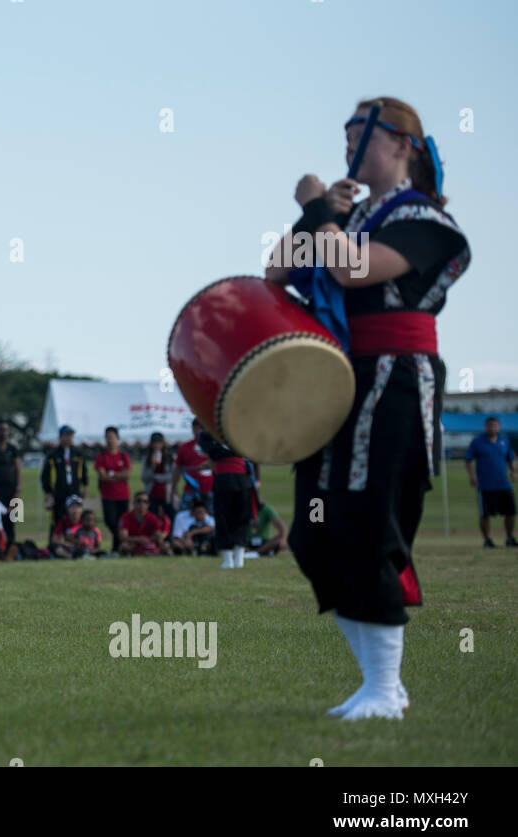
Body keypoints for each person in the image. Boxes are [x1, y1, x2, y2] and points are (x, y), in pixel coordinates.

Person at [267, 96, 470, 721]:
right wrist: (318, 215)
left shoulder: (424, 219)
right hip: (336, 379)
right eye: (346, 136)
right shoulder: (346, 220)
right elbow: (276, 272)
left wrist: (316, 212)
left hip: (396, 380)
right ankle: (377, 686)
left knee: (367, 522)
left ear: (402, 144)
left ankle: (386, 690)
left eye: (361, 135)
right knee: (316, 532)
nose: (349, 147)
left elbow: (354, 271)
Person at [197, 431, 255, 569]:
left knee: (226, 517)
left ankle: (232, 558)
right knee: (236, 516)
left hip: (227, 479)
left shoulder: (212, 434)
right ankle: (236, 558)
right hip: (240, 479)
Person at [463, 416, 516, 548]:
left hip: (503, 483)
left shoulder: (504, 441)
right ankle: (487, 540)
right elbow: (467, 460)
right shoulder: (477, 442)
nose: (493, 428)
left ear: (499, 427)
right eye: (490, 425)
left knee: (511, 512)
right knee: (484, 514)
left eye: (495, 425)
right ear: (485, 427)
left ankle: (510, 538)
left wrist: (513, 471)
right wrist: (472, 476)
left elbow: (510, 459)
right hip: (485, 485)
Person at [41, 425, 86, 537]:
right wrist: (48, 493)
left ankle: (76, 541)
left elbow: (84, 472)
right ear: (61, 437)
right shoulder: (53, 454)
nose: (69, 438)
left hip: (74, 491)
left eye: (71, 435)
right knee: (57, 519)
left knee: (75, 518)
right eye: (67, 435)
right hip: (58, 493)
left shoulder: (77, 453)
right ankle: (54, 542)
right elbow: (45, 476)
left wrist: (85, 487)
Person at [94, 426, 131, 554]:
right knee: (110, 521)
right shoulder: (101, 456)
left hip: (123, 495)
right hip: (108, 495)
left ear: (117, 438)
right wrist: (117, 475)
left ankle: (117, 548)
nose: (110, 440)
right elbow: (103, 476)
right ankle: (119, 545)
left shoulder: (123, 455)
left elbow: (127, 474)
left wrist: (111, 474)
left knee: (122, 522)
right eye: (108, 437)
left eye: (112, 437)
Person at [172, 419, 215, 511]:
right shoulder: (185, 447)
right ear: (192, 428)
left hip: (211, 489)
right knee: (185, 514)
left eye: (201, 428)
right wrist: (174, 489)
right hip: (190, 490)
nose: (199, 431)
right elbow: (178, 468)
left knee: (211, 516)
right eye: (196, 427)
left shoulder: (213, 445)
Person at [118, 492, 170, 557]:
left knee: (165, 545)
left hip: (148, 543)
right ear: (134, 503)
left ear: (148, 504)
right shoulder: (125, 517)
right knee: (124, 546)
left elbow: (157, 535)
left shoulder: (152, 518)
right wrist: (139, 539)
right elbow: (123, 537)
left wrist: (155, 538)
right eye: (139, 501)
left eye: (145, 502)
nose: (142, 504)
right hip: (132, 544)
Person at [141, 432, 175, 522]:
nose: (157, 445)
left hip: (166, 494)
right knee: (152, 518)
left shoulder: (170, 458)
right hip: (152, 493)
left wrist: (157, 477)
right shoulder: (147, 459)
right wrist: (152, 467)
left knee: (169, 518)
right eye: (154, 443)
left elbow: (173, 476)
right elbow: (144, 478)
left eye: (159, 443)